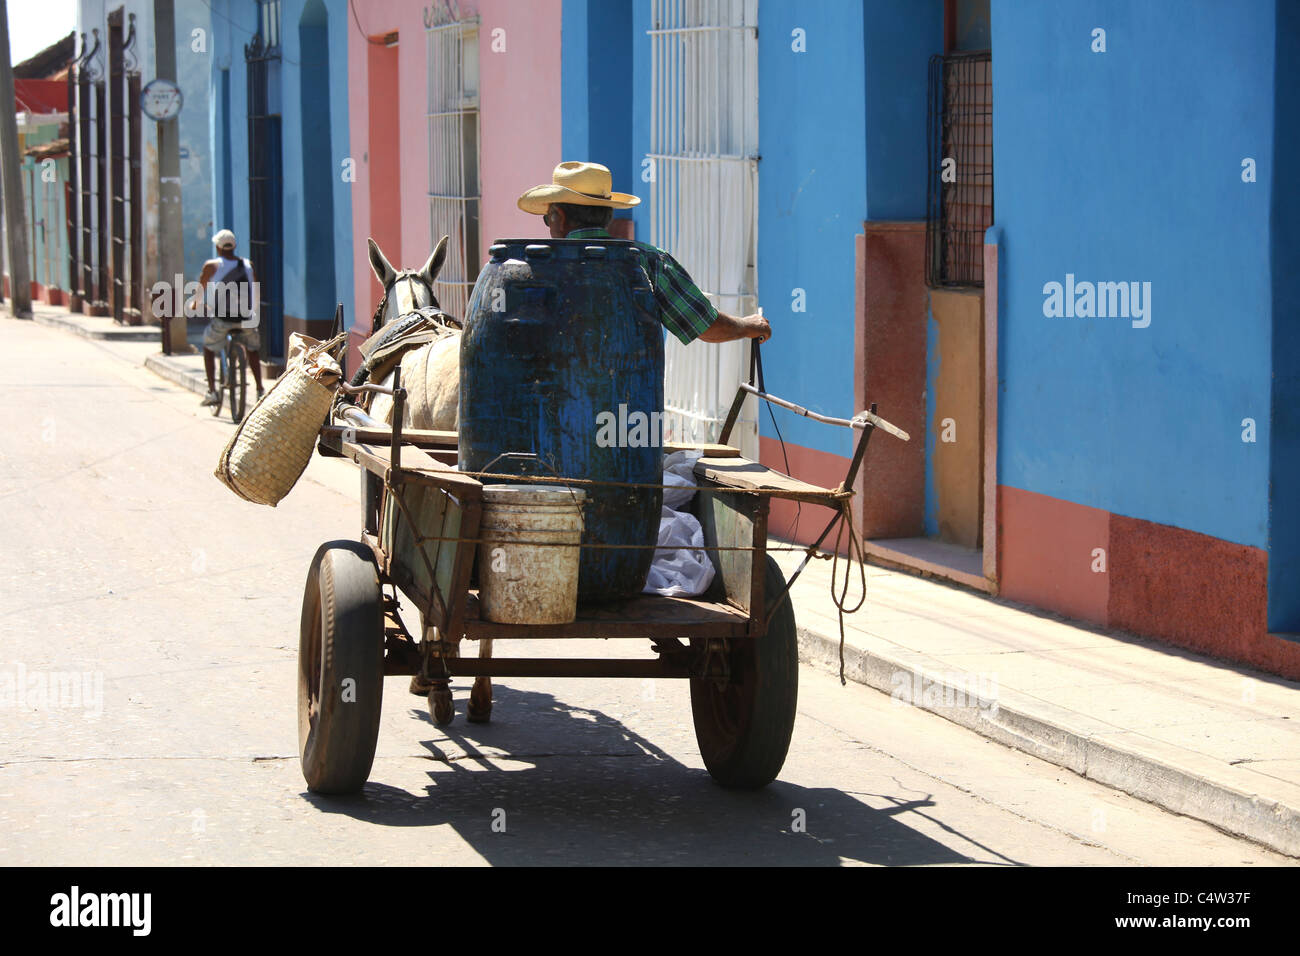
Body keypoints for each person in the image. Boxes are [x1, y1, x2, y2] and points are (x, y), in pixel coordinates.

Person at [517, 161, 771, 346]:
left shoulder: (530, 266)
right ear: (608, 213)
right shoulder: (648, 261)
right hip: (628, 409)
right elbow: (705, 326)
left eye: (546, 219)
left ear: (558, 217)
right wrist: (747, 326)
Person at [194, 229, 265, 406]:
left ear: (218, 247)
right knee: (252, 348)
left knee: (208, 347)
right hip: (245, 317)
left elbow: (201, 288)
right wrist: (253, 311)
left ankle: (212, 392)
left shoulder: (212, 265)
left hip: (223, 319)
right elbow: (256, 291)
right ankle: (260, 390)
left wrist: (196, 304)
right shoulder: (248, 265)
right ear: (234, 247)